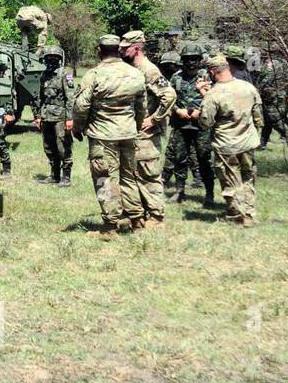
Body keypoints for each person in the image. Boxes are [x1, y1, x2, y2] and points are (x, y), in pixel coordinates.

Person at [72, 34, 145, 238]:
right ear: (119, 50)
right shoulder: (135, 73)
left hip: (103, 136)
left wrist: (78, 127)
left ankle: (110, 226)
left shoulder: (94, 74)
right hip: (128, 133)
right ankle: (137, 220)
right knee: (129, 176)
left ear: (99, 50)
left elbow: (81, 106)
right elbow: (141, 105)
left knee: (104, 178)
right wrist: (136, 127)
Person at [120, 30, 177, 228]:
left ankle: (156, 216)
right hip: (133, 132)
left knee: (147, 173)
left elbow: (169, 95)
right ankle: (135, 213)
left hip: (146, 134)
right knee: (132, 173)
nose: (121, 51)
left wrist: (154, 119)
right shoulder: (132, 69)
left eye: (125, 48)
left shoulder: (149, 70)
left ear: (136, 48)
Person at [199, 55, 264, 226]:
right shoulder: (248, 87)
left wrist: (203, 95)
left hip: (226, 144)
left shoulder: (213, 94)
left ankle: (236, 217)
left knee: (230, 180)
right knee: (248, 178)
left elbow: (206, 123)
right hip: (248, 142)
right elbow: (258, 116)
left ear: (212, 71)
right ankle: (249, 214)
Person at [163, 43, 216, 205]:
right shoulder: (176, 78)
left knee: (204, 159)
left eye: (194, 59)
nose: (191, 62)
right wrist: (177, 110)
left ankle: (209, 194)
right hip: (181, 125)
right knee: (179, 158)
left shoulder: (207, 77)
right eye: (187, 59)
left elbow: (215, 99)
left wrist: (200, 110)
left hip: (201, 126)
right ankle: (180, 192)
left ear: (200, 60)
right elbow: (169, 99)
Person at [34, 45, 75, 187]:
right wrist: (38, 116)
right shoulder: (44, 75)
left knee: (63, 147)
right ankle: (54, 175)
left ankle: (66, 177)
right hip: (46, 116)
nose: (52, 60)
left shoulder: (65, 74)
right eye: (49, 57)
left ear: (59, 59)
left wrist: (69, 118)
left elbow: (70, 98)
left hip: (60, 117)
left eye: (55, 57)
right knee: (48, 147)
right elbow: (40, 97)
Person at [256, 55, 288, 151]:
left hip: (273, 97)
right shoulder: (283, 63)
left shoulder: (272, 63)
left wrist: (257, 91)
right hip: (276, 97)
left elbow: (264, 81)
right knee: (268, 121)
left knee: (275, 121)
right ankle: (262, 143)